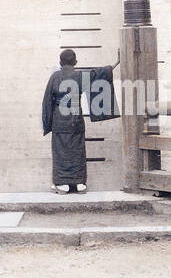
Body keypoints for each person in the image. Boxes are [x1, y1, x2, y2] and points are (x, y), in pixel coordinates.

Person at [41, 49, 118, 193]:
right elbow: (100, 74)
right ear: (75, 62)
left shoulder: (55, 77)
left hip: (60, 119)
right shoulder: (80, 76)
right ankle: (79, 183)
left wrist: (48, 123)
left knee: (60, 151)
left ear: (60, 63)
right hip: (76, 119)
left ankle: (61, 184)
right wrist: (116, 62)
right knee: (77, 151)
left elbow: (47, 102)